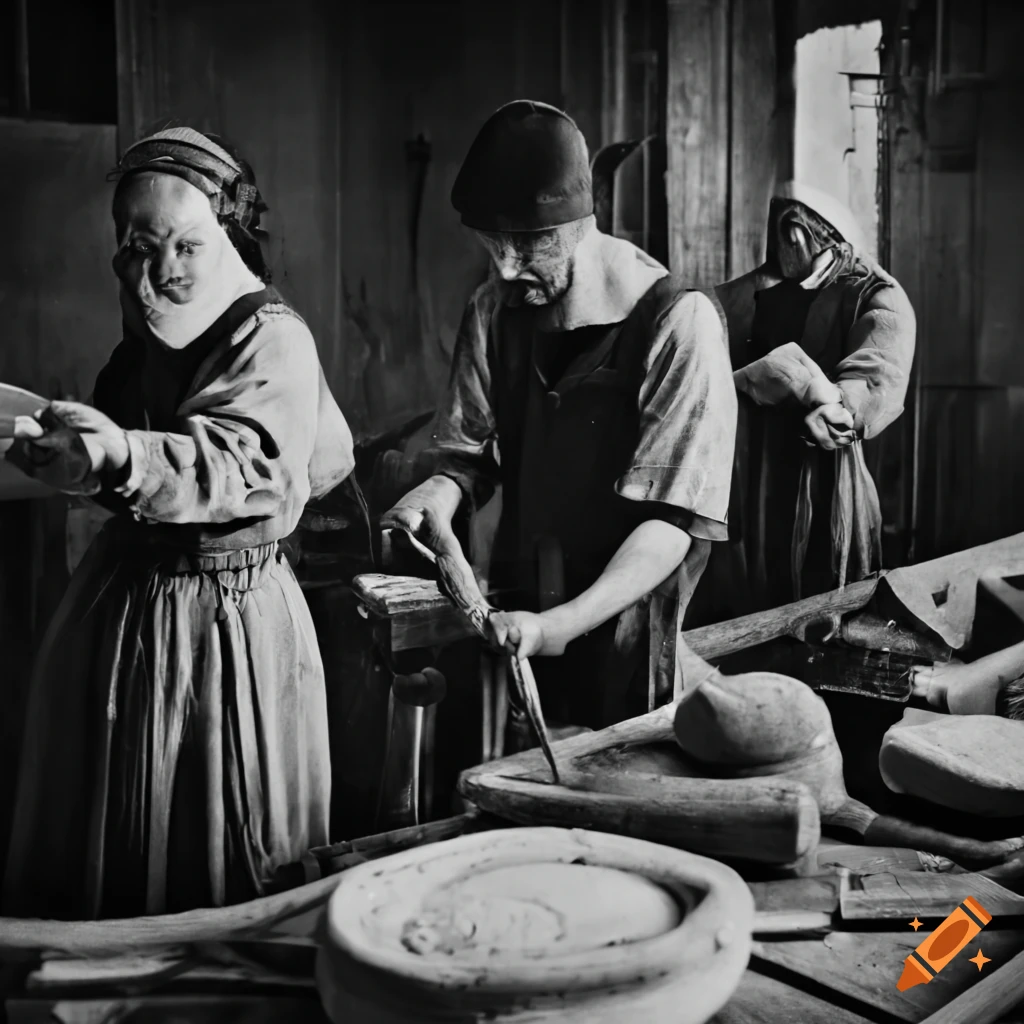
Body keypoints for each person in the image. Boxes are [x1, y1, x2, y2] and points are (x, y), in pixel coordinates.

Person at [2, 127, 354, 919]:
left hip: (229, 622)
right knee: (126, 812)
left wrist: (122, 454)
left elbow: (237, 466)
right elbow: (128, 477)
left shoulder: (273, 340)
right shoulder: (137, 352)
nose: (161, 270)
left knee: (224, 824)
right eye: (137, 247)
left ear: (228, 236)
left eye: (187, 245)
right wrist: (73, 460)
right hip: (129, 607)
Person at [383, 100, 736, 732]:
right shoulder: (494, 309)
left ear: (583, 217)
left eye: (529, 243)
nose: (507, 267)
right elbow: (463, 455)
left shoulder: (680, 324)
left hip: (629, 633)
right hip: (516, 611)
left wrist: (560, 627)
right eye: (494, 244)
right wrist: (431, 497)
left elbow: (672, 522)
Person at [712, 182, 916, 613]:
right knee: (748, 577)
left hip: (821, 461)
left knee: (819, 581)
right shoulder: (753, 289)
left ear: (807, 232)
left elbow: (878, 367)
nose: (787, 243)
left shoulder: (873, 292)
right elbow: (710, 326)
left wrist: (840, 404)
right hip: (749, 457)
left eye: (793, 231)